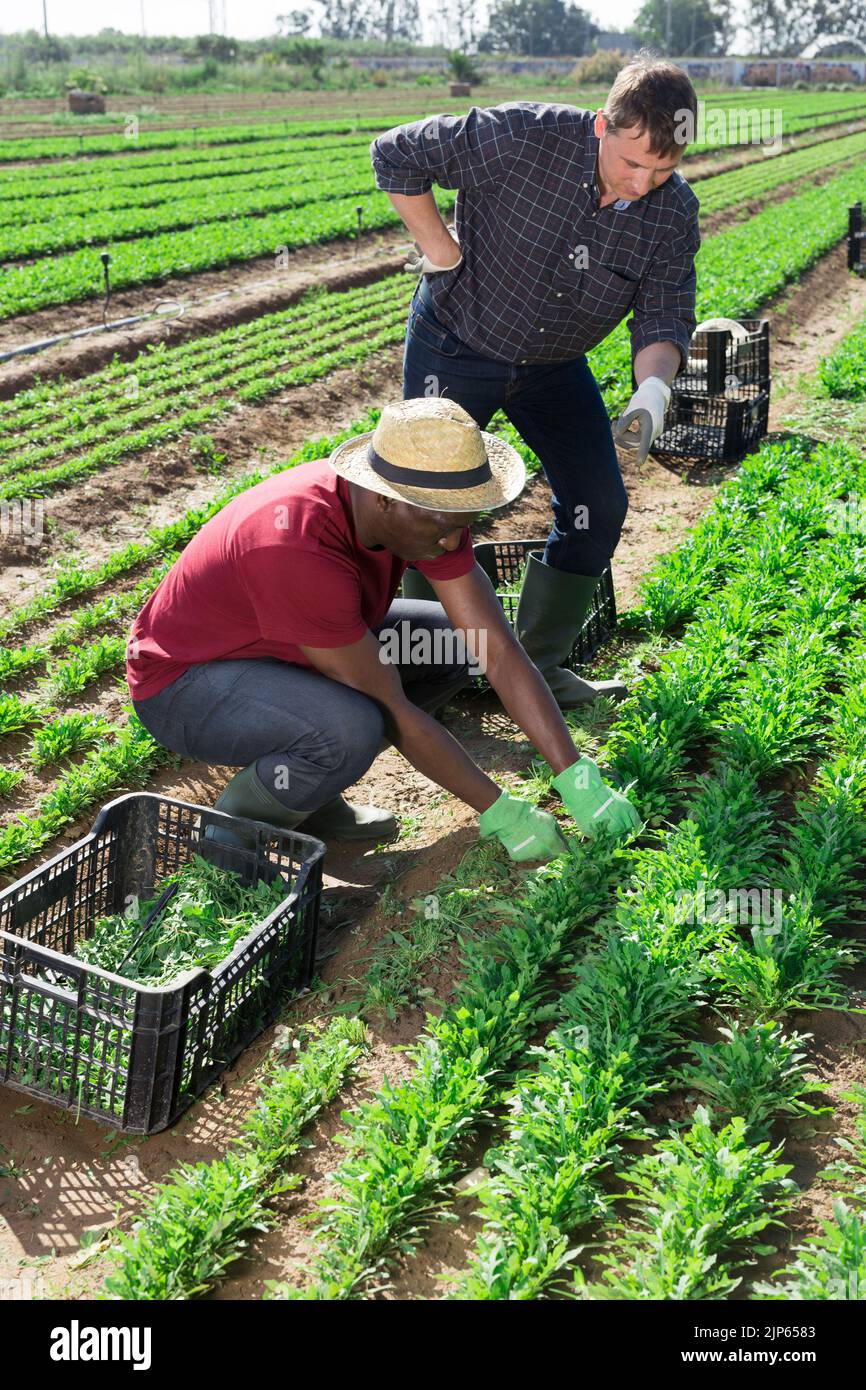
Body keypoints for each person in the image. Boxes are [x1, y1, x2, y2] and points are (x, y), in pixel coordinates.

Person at [126, 398, 640, 861]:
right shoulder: (296, 544)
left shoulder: (433, 512)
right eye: (442, 524)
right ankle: (233, 837)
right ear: (384, 499)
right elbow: (390, 704)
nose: (453, 540)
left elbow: (496, 649)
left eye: (463, 520)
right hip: (189, 684)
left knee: (455, 644)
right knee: (351, 726)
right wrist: (501, 810)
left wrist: (576, 775)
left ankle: (313, 795)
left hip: (289, 651)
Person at [370, 50, 701, 708]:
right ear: (604, 125)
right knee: (427, 507)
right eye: (634, 163)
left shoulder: (670, 213)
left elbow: (663, 316)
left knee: (598, 507)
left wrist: (652, 393)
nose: (644, 183)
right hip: (456, 343)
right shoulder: (523, 136)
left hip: (553, 367)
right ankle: (424, 674)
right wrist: (439, 249)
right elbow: (395, 153)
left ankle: (538, 667)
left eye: (663, 169)